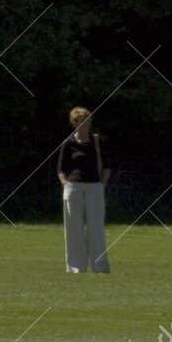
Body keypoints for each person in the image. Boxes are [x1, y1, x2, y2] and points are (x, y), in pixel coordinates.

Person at [58, 106, 111, 274]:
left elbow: (108, 166)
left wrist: (102, 184)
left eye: (88, 121)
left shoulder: (97, 141)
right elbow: (60, 169)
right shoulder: (68, 143)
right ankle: (76, 267)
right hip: (73, 188)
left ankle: (100, 267)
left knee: (96, 227)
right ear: (75, 123)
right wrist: (66, 184)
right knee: (74, 229)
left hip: (94, 187)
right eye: (82, 122)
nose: (85, 125)